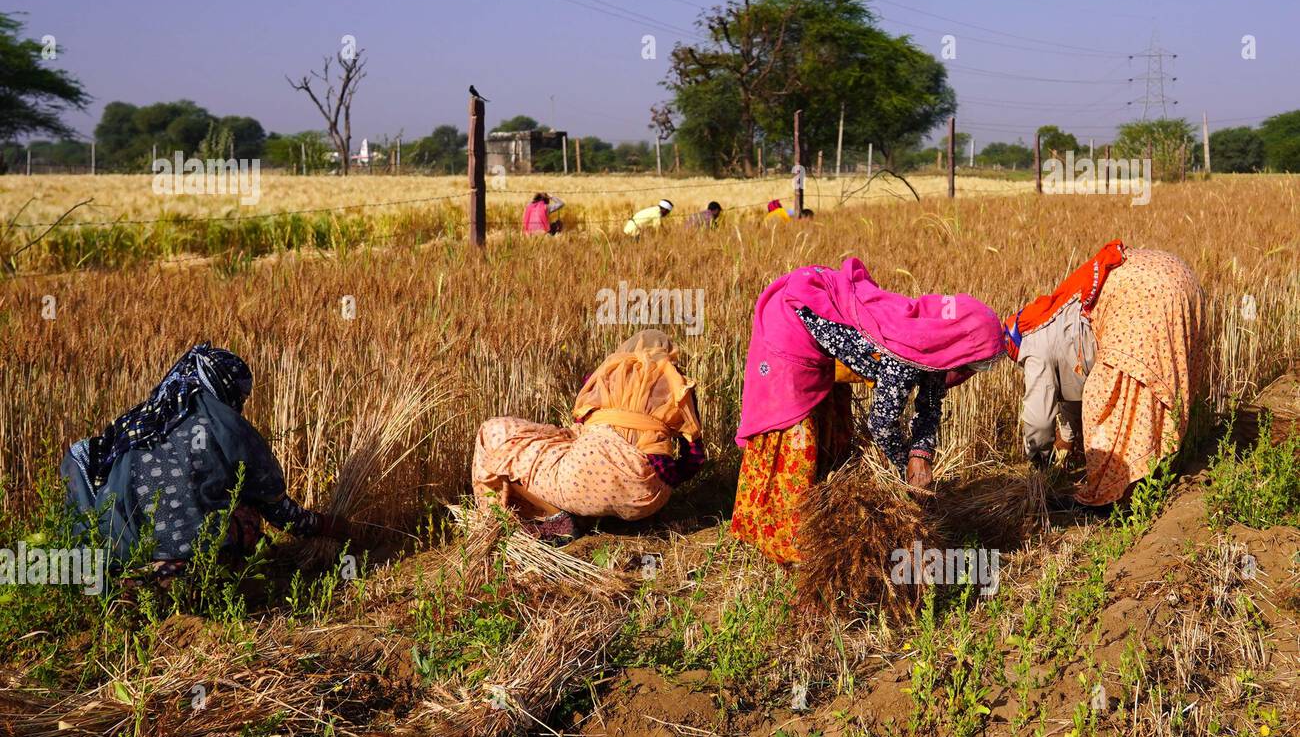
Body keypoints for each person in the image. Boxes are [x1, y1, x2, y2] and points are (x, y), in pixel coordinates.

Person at [731, 259, 1004, 564]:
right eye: (970, 365)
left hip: (820, 317)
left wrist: (922, 454)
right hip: (790, 317)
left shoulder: (934, 342)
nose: (965, 372)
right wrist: (905, 469)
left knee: (834, 421)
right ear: (962, 349)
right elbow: (881, 424)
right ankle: (785, 542)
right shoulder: (902, 355)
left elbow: (929, 404)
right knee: (797, 432)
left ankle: (823, 514)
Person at [60, 344, 342, 581]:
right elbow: (279, 511)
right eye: (240, 395)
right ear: (225, 387)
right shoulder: (225, 428)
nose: (239, 403)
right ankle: (203, 574)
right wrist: (327, 526)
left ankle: (138, 574)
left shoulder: (141, 423)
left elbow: (85, 460)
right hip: (191, 564)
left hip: (122, 556)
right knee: (247, 511)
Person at [1005, 241, 1204, 506]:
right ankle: (1155, 476)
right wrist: (1066, 441)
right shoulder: (1053, 316)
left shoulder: (1032, 346)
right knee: (1152, 386)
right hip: (1179, 277)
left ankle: (1115, 496)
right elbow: (1070, 386)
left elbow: (1039, 419)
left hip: (1142, 298)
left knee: (1104, 405)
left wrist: (1038, 460)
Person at [473, 330, 704, 543]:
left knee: (507, 454)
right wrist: (667, 480)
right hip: (647, 498)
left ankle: (559, 519)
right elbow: (694, 459)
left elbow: (581, 421)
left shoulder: (608, 374)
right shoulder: (678, 386)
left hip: (582, 482)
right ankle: (615, 516)